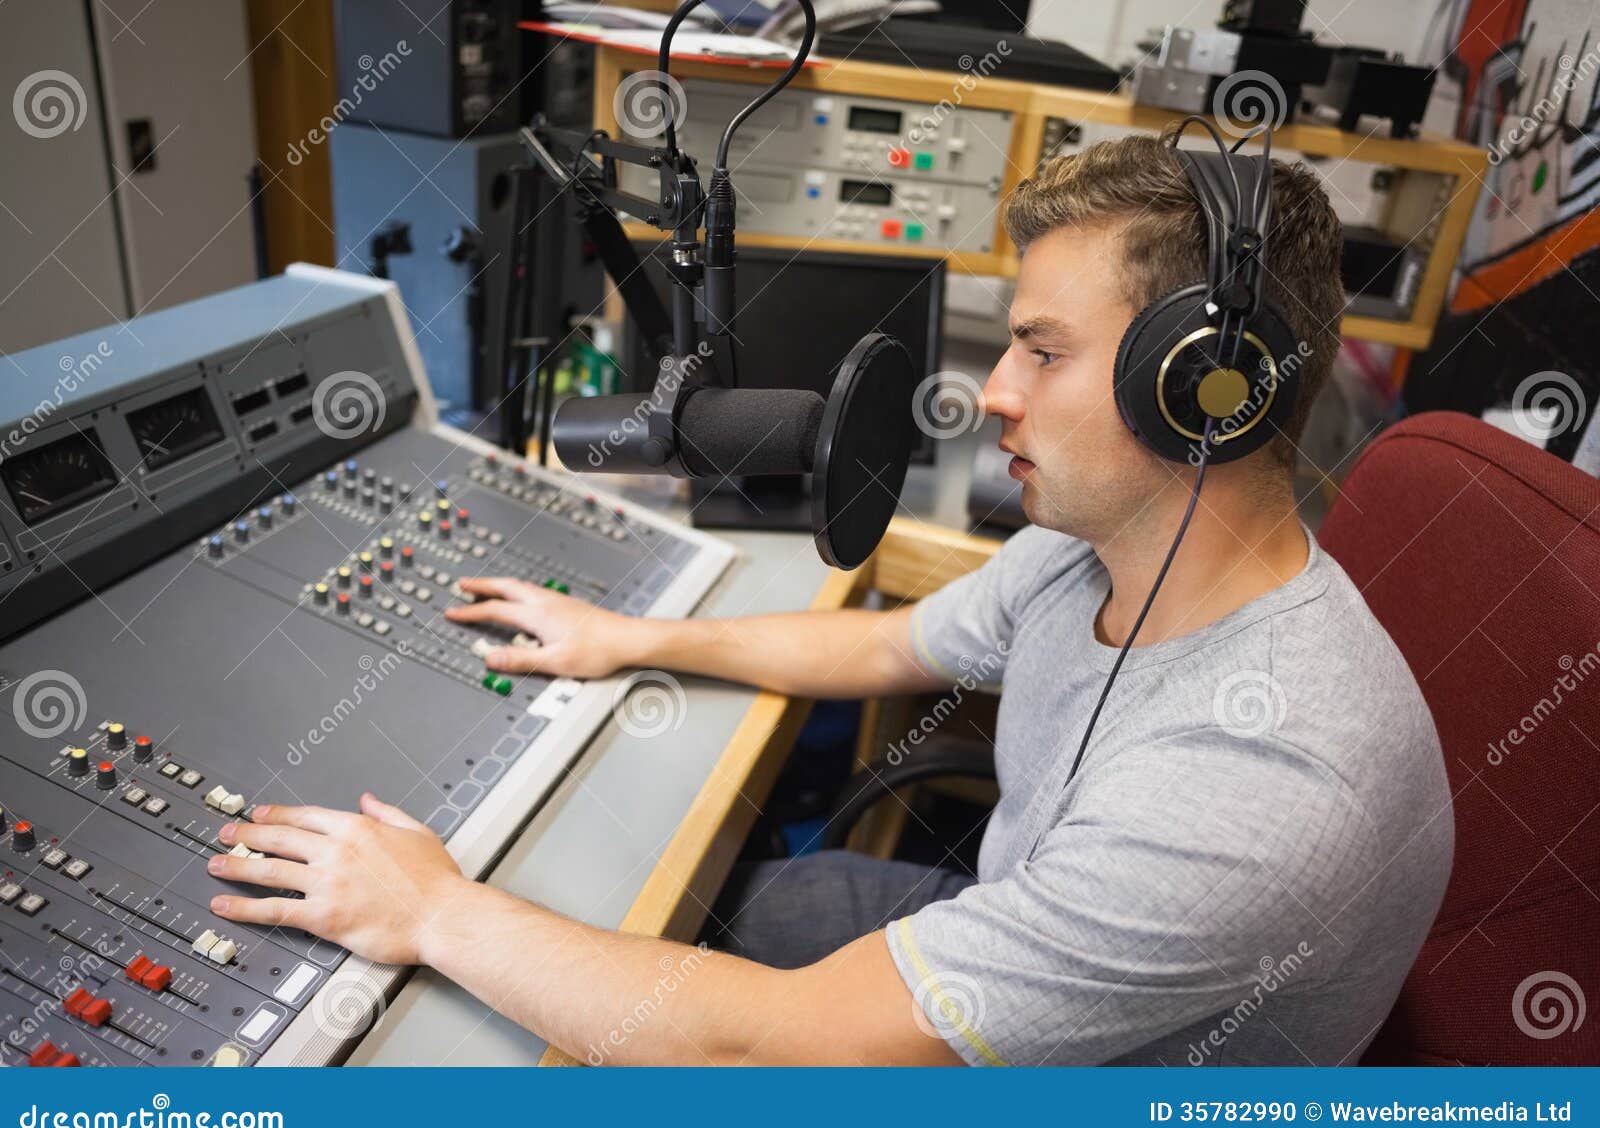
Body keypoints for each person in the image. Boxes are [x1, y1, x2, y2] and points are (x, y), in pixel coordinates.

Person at [207, 132, 1452, 1066]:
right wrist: (633, 635)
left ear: (1200, 385)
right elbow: (888, 643)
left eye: (1044, 350)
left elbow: (780, 1041)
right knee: (758, 902)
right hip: (1009, 915)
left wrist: (431, 908)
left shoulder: (1250, 791)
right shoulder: (1103, 546)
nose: (995, 392)